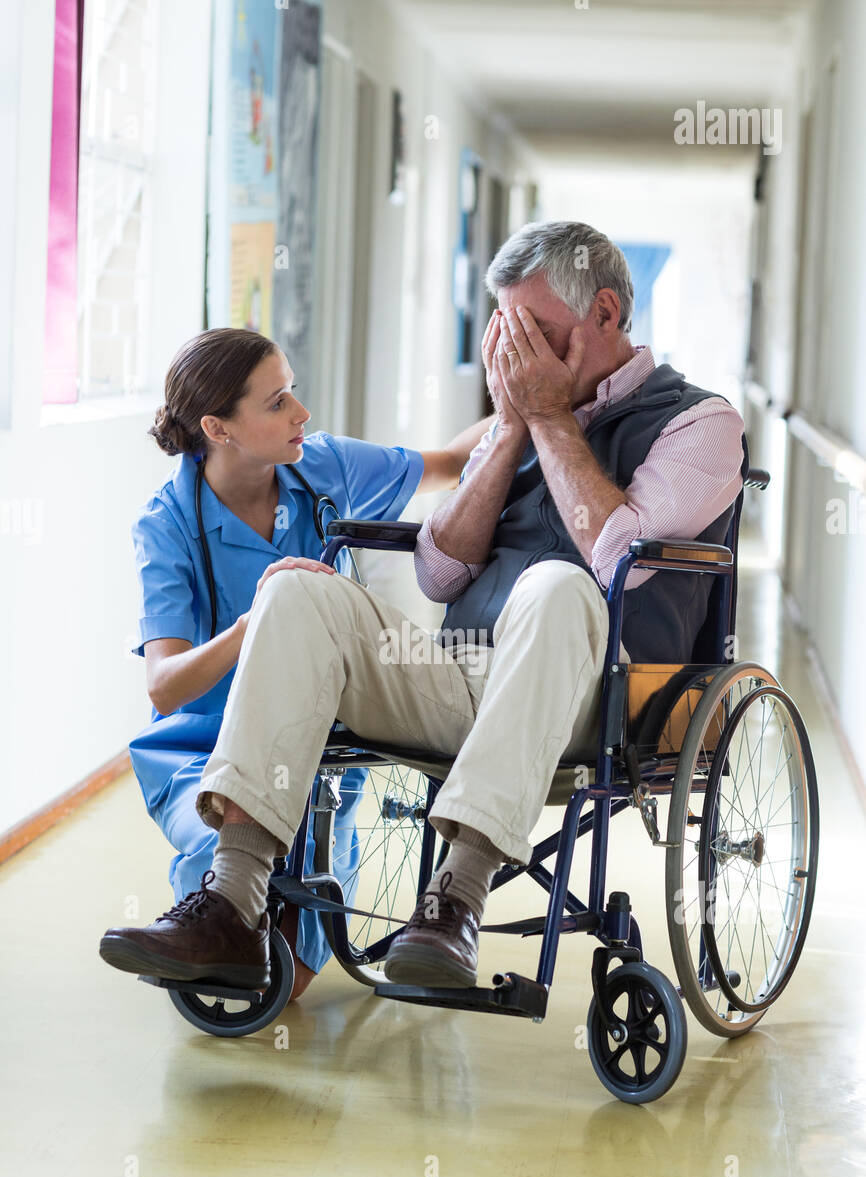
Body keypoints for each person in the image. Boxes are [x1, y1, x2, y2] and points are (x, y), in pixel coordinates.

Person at [100, 221, 747, 993]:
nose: (519, 359)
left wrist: (549, 421)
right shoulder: (515, 419)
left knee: (559, 581)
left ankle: (453, 903)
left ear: (605, 313)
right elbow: (439, 573)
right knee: (296, 588)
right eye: (506, 334)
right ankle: (232, 907)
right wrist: (511, 430)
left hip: (596, 699)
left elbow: (617, 559)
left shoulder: (701, 423)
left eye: (536, 334)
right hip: (459, 678)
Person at [116, 327, 490, 997]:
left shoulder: (324, 468)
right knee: (227, 944)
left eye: (293, 391)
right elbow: (166, 687)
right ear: (218, 428)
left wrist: (528, 404)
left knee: (284, 982)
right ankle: (218, 902)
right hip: (204, 752)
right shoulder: (168, 524)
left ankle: (260, 915)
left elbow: (456, 461)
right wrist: (256, 624)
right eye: (278, 401)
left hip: (321, 754)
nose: (302, 412)